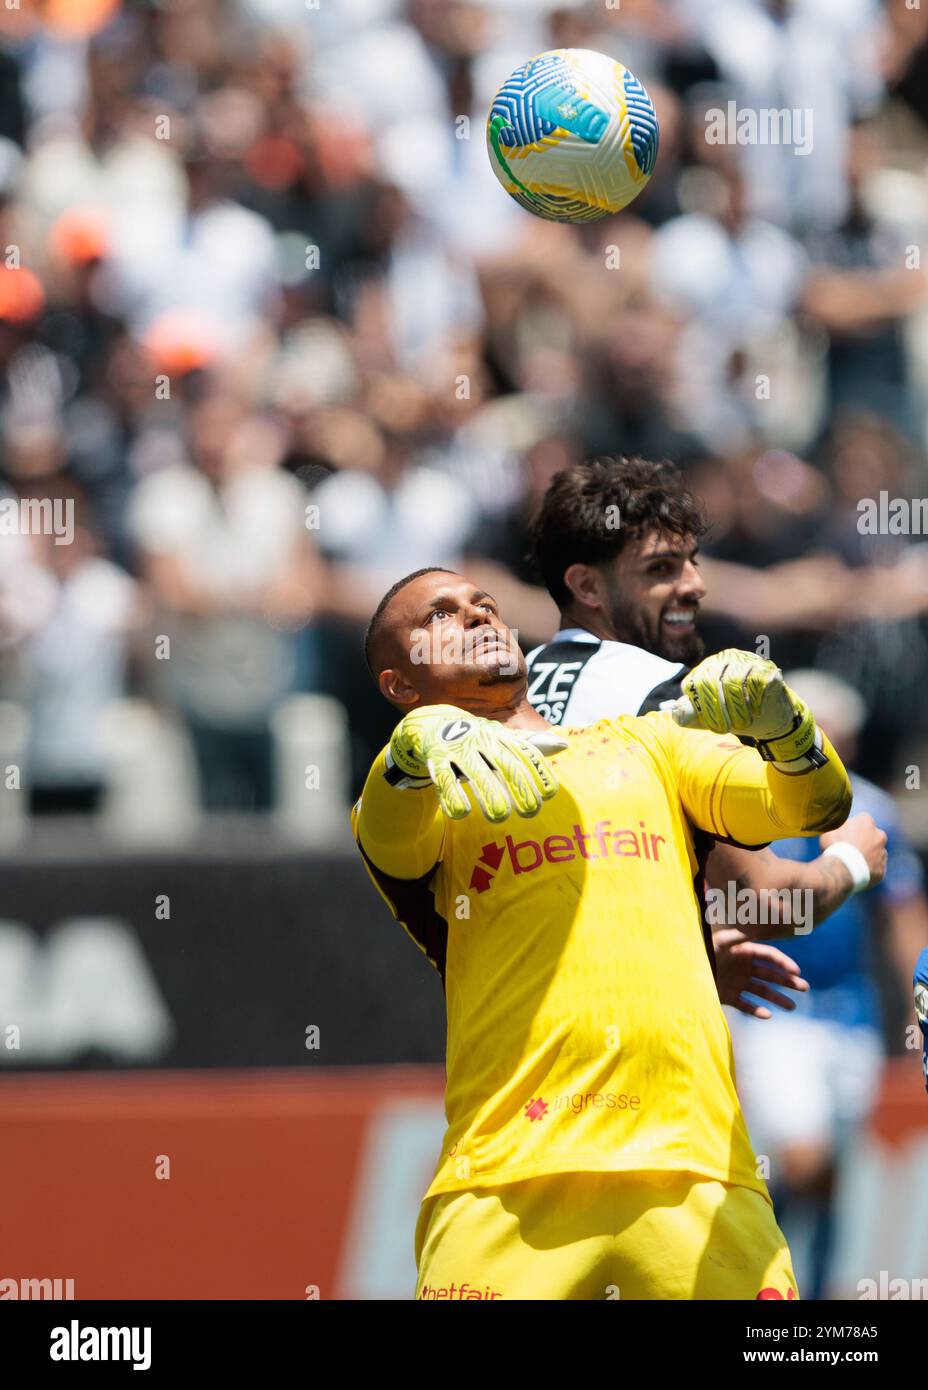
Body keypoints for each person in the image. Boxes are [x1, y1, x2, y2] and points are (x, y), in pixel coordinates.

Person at [352, 564, 852, 1299]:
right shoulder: (423, 795)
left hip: (697, 1166)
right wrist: (411, 747)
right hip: (507, 1178)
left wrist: (785, 725)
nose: (477, 615)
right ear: (400, 687)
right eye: (440, 616)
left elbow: (810, 806)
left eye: (484, 603)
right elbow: (388, 826)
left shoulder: (648, 745)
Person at [525, 456, 888, 1016]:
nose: (695, 585)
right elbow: (764, 903)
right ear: (586, 585)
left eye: (692, 562)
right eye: (661, 569)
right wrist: (850, 864)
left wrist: (686, 941)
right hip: (638, 1060)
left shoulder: (498, 695)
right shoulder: (665, 699)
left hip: (511, 1046)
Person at [728, 669, 928, 1299]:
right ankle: (760, 1269)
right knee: (804, 1159)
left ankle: (810, 1303)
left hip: (852, 1012)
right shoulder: (744, 801)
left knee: (835, 1170)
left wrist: (915, 1012)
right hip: (773, 1006)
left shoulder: (875, 809)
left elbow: (901, 916)